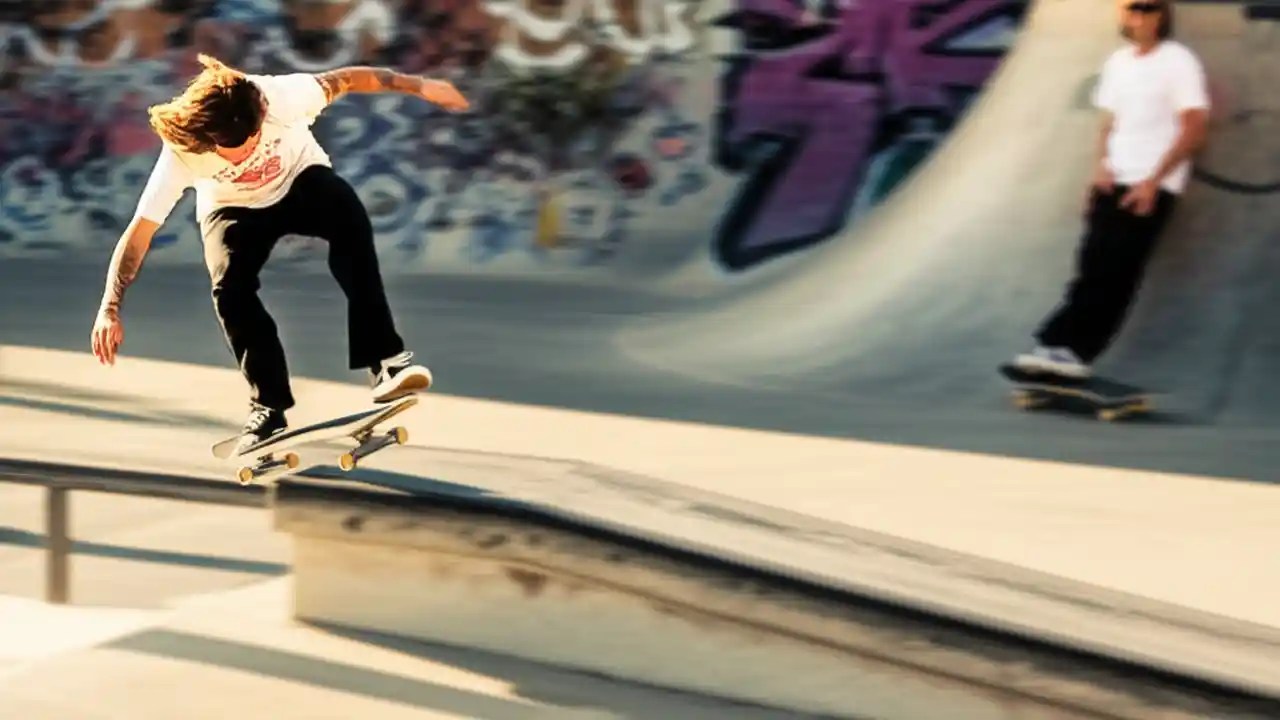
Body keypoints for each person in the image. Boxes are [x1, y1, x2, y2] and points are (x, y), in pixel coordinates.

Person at [89, 54, 469, 452]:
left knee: (349, 218)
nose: (248, 151)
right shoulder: (183, 150)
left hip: (300, 181)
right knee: (229, 290)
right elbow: (140, 232)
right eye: (234, 150)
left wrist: (419, 85)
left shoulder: (280, 95)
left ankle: (385, 362)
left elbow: (349, 79)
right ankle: (268, 407)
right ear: (208, 138)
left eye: (253, 138)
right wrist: (109, 307)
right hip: (233, 208)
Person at [1013, 0, 1209, 378]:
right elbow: (1108, 123)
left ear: (1160, 16)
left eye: (1144, 9)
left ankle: (1078, 352)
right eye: (1129, 10)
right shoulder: (1118, 62)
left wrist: (1153, 181)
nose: (1135, 17)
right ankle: (1054, 344)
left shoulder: (1178, 61)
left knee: (1118, 271)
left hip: (1150, 185)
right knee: (1091, 265)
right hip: (1113, 179)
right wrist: (1100, 167)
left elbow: (1195, 127)